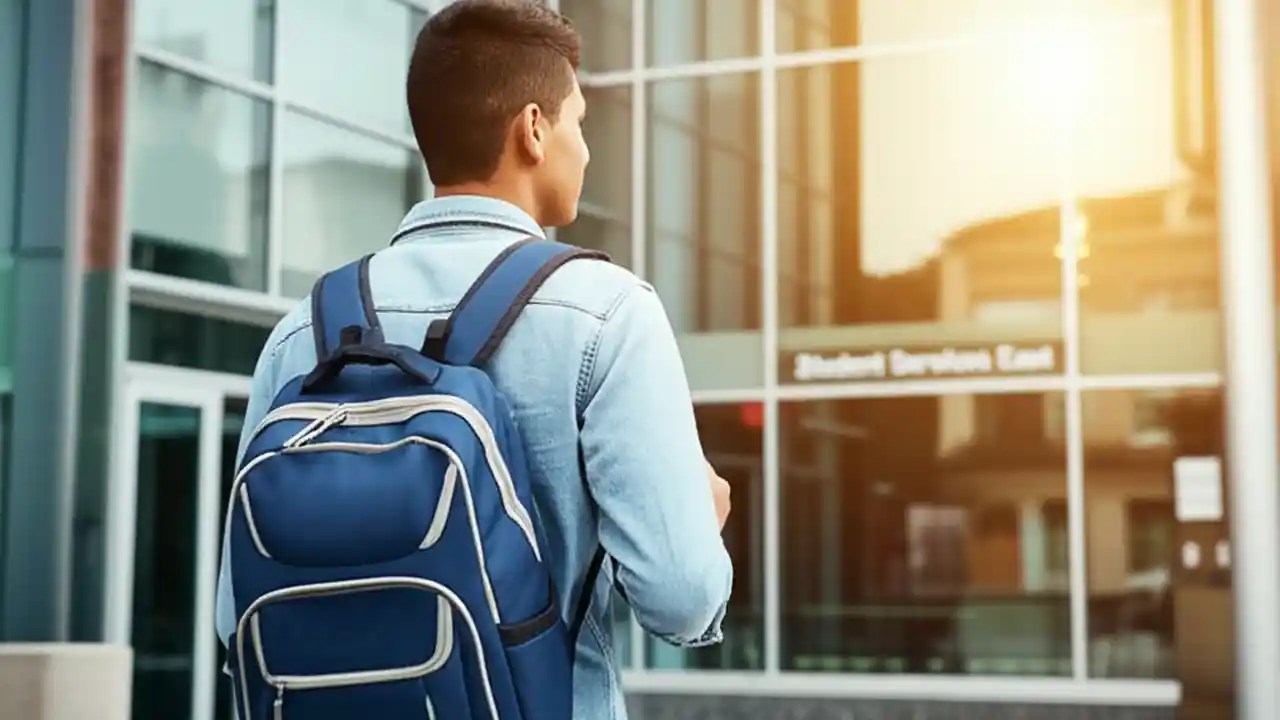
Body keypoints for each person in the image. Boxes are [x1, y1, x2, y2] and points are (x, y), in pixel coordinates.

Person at [213, 0, 734, 717]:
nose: (585, 147)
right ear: (533, 129)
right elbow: (681, 600)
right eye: (578, 123)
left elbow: (231, 613)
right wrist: (697, 516)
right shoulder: (608, 313)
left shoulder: (305, 331)